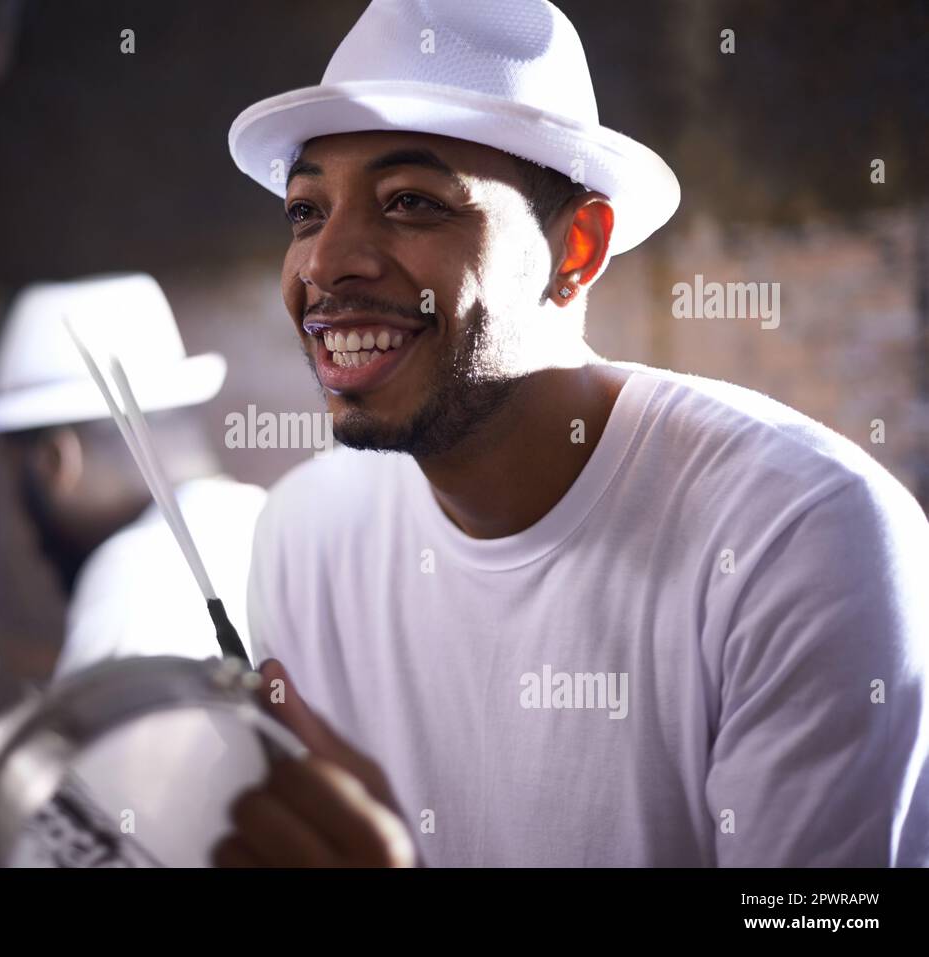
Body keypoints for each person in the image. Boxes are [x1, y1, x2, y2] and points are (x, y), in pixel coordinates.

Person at [214, 0, 929, 867]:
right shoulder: (301, 538)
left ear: (577, 248)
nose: (326, 263)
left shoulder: (804, 535)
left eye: (410, 201)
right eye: (305, 211)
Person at [0, 272, 266, 678]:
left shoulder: (137, 576)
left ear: (55, 460)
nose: (27, 526)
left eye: (18, 477)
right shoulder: (266, 522)